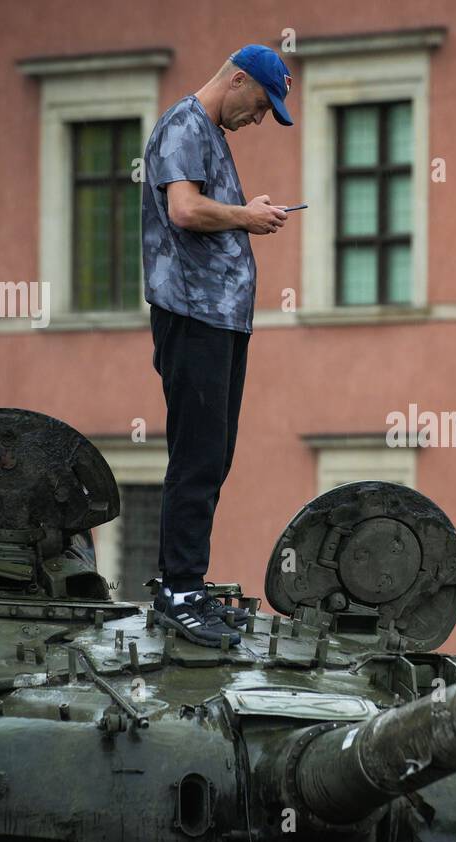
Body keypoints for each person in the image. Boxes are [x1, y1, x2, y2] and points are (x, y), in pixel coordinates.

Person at [140, 45, 293, 646]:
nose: (259, 119)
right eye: (259, 105)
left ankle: (190, 587)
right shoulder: (183, 125)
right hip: (193, 315)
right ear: (236, 80)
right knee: (197, 454)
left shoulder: (210, 132)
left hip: (222, 319)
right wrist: (246, 217)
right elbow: (183, 210)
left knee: (215, 454)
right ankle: (178, 594)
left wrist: (246, 211)